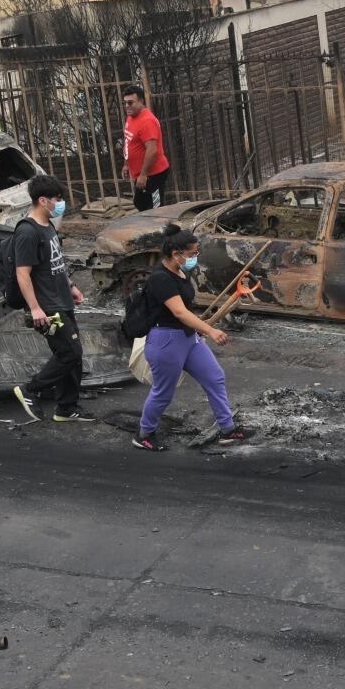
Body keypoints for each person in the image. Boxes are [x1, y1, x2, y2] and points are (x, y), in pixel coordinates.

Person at [132, 227, 249, 451]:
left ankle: (227, 429)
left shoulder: (181, 272)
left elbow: (186, 310)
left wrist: (199, 329)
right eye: (193, 254)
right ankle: (144, 433)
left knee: (215, 377)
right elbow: (179, 312)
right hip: (166, 340)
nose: (195, 258)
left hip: (188, 338)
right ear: (176, 254)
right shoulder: (160, 278)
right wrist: (210, 330)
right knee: (163, 392)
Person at [9, 175, 89, 423]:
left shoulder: (48, 226)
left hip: (61, 299)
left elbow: (56, 263)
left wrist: (71, 285)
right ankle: (30, 390)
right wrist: (35, 309)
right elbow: (22, 274)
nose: (61, 203)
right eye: (58, 199)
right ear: (43, 201)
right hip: (47, 307)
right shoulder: (27, 232)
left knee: (72, 358)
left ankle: (66, 408)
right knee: (70, 353)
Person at [122, 86, 172, 212]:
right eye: (125, 103)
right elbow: (129, 142)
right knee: (140, 204)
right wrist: (126, 164)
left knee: (156, 210)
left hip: (153, 174)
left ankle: (160, 230)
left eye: (130, 103)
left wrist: (143, 175)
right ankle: (150, 230)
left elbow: (152, 151)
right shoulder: (131, 117)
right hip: (141, 175)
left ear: (141, 101)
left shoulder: (147, 121)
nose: (127, 106)